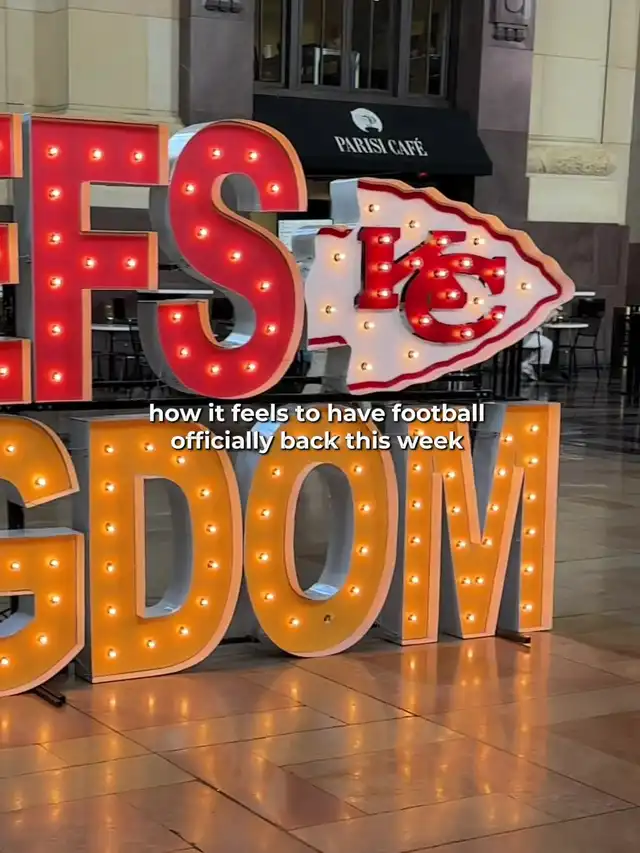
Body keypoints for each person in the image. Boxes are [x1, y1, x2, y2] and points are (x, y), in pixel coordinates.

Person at [521, 309, 560, 380]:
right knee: (547, 344)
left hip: (527, 335)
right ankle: (532, 366)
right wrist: (550, 315)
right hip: (525, 336)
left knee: (544, 343)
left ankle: (528, 366)